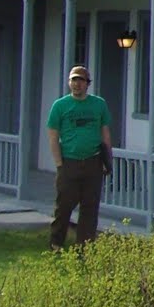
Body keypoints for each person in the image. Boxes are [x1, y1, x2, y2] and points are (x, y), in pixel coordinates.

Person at [47, 65, 113, 249]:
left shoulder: (99, 104)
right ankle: (56, 244)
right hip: (69, 161)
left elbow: (105, 133)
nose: (77, 84)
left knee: (90, 207)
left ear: (87, 84)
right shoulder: (60, 106)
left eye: (81, 80)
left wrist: (108, 160)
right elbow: (53, 136)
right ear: (69, 83)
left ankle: (84, 248)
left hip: (93, 161)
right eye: (73, 80)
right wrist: (59, 164)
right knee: (64, 206)